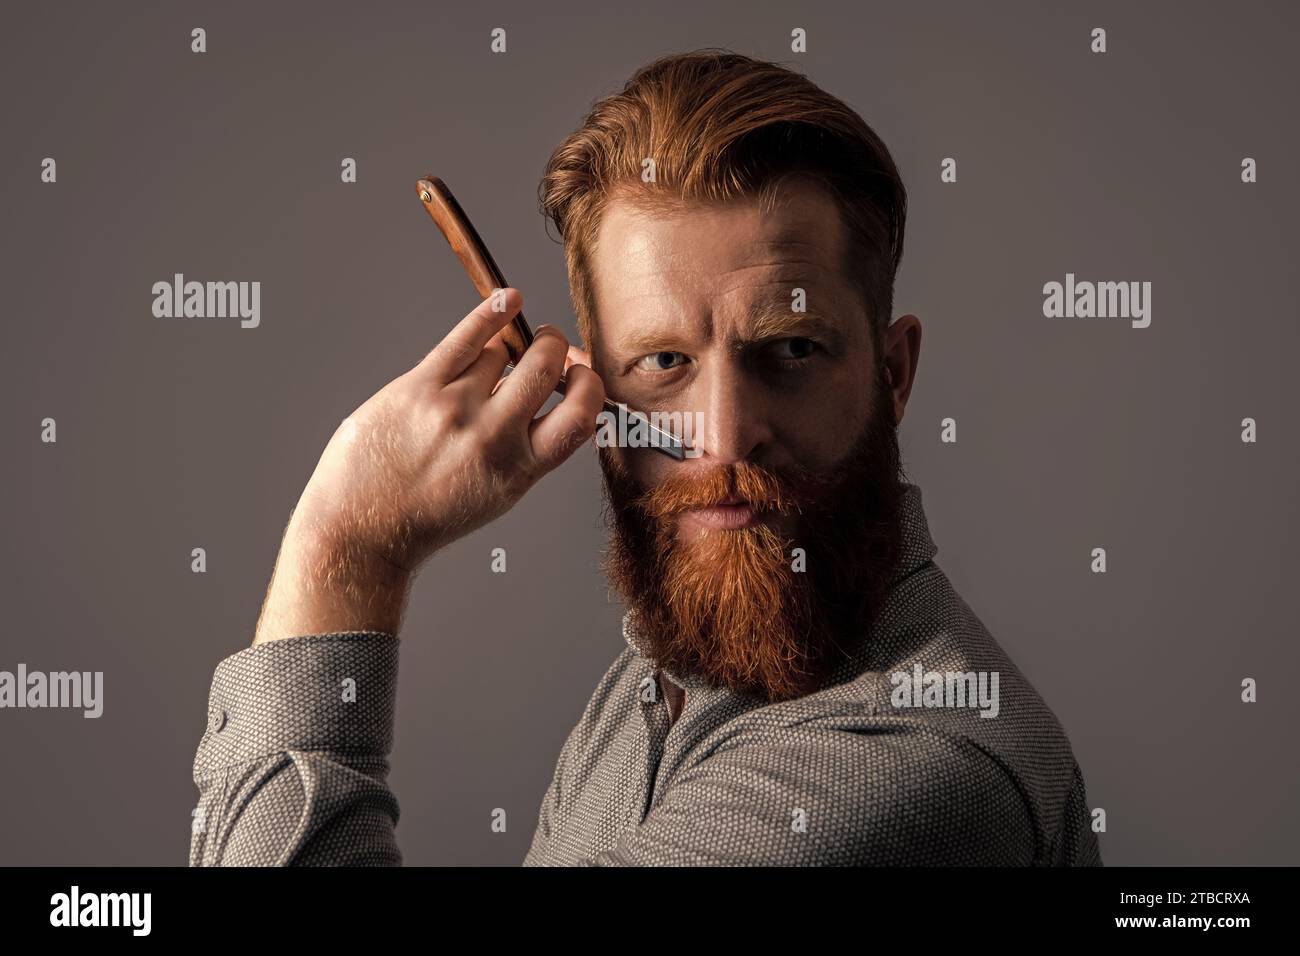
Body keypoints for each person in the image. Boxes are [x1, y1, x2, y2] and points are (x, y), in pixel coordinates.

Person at [190, 49, 1102, 866]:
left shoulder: (914, 767)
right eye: (663, 363)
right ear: (591, 393)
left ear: (893, 375)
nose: (724, 434)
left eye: (791, 350)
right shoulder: (658, 678)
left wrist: (348, 549)